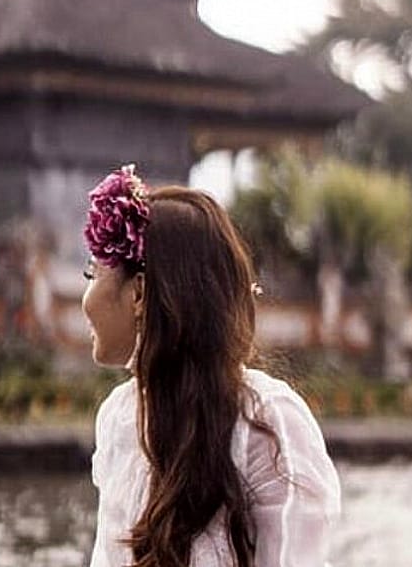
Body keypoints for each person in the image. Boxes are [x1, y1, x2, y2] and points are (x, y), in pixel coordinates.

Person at [80, 165, 340, 567]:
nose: (87, 299)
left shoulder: (267, 423)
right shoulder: (119, 417)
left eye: (92, 275)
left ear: (139, 295)